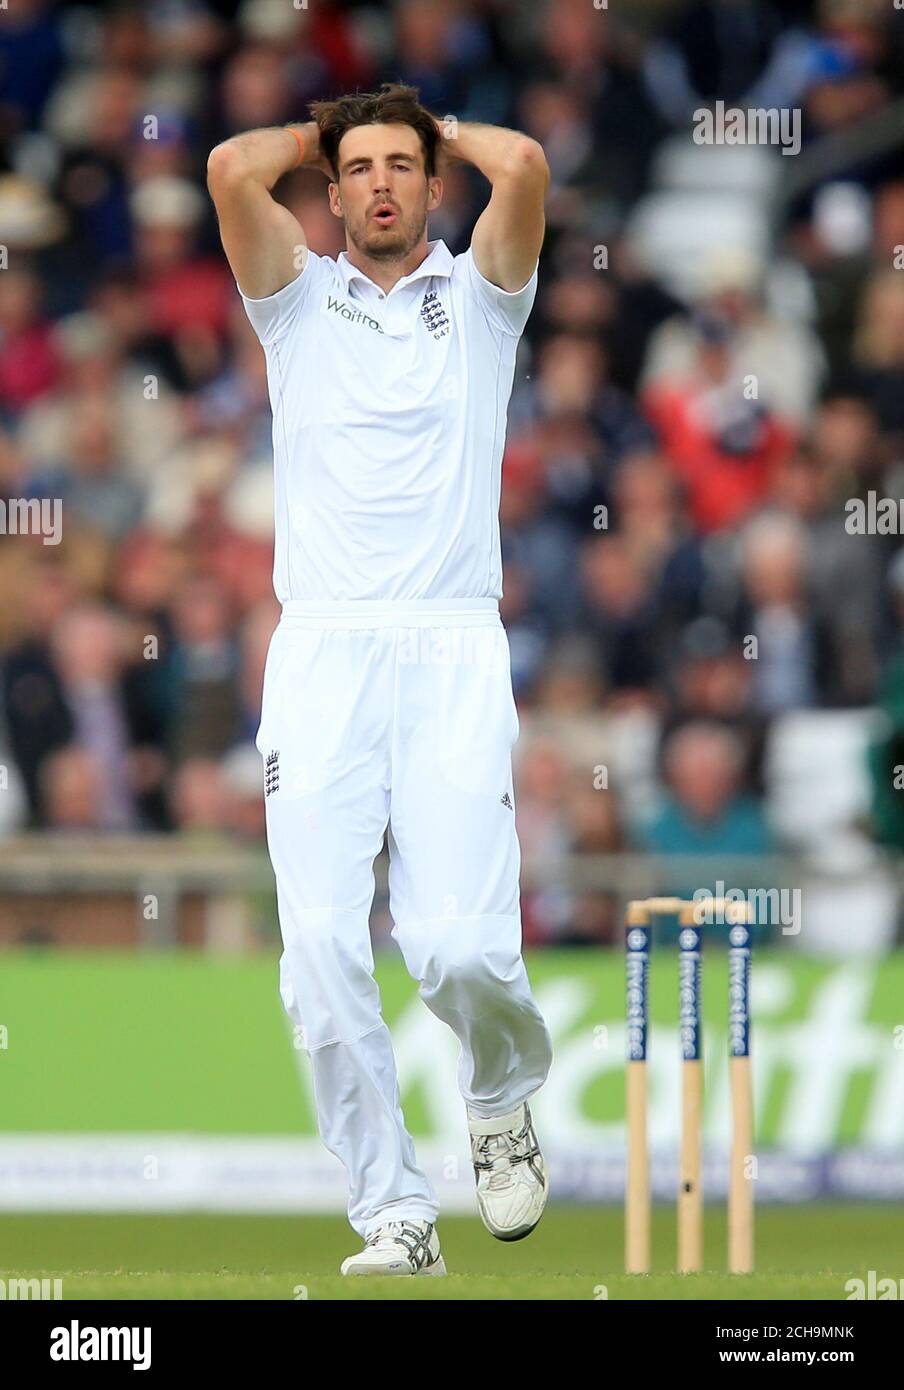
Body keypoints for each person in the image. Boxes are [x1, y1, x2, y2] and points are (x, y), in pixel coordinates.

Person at [206, 82, 553, 1277]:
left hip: (452, 644)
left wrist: (432, 122)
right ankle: (392, 1210)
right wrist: (322, 132)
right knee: (318, 952)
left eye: (400, 165)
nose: (380, 185)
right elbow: (224, 169)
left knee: (456, 947)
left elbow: (532, 170)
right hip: (322, 652)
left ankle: (500, 1096)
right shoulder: (295, 302)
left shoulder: (482, 298)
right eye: (356, 169)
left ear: (432, 180)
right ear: (331, 187)